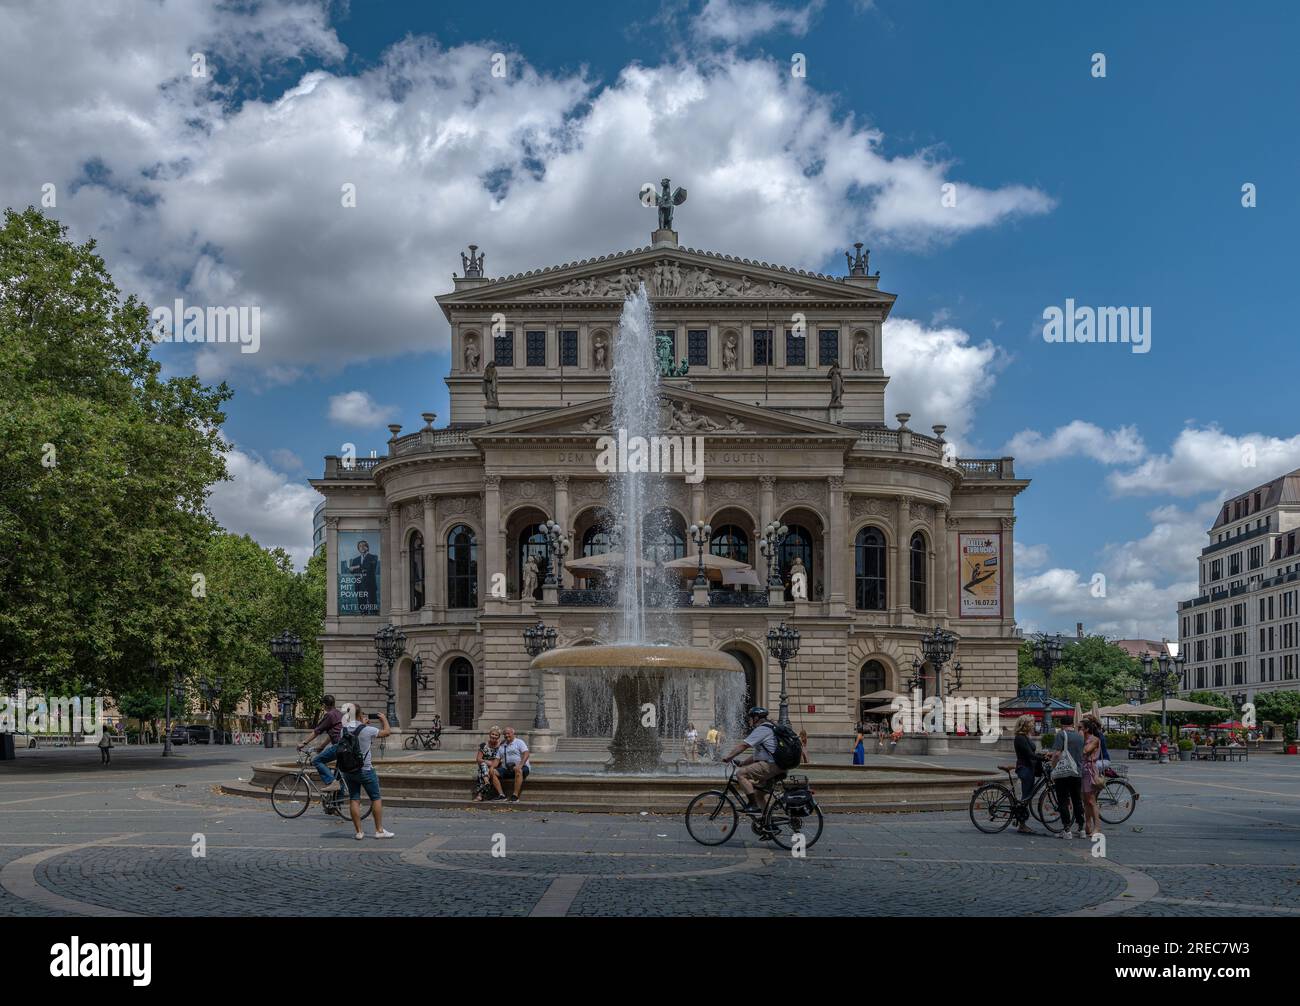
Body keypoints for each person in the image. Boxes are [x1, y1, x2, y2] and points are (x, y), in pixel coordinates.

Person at [337, 705, 393, 840]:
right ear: (360, 714)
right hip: (365, 770)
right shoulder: (368, 730)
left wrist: (361, 723)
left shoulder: (343, 730)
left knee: (354, 798)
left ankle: (359, 832)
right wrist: (384, 719)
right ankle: (379, 830)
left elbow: (353, 731)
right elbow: (387, 732)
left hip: (349, 770)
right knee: (375, 797)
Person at [722, 707, 784, 814]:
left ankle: (753, 805)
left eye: (750, 717)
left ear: (756, 717)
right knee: (758, 795)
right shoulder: (770, 728)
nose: (749, 720)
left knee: (741, 774)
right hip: (778, 765)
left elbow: (744, 745)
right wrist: (742, 763)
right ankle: (768, 823)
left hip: (772, 765)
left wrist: (729, 757)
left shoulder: (762, 729)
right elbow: (758, 755)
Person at [298, 695, 345, 793]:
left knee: (316, 761)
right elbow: (332, 734)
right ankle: (336, 805)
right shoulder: (339, 714)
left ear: (324, 705)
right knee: (339, 776)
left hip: (339, 746)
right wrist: (321, 746)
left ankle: (332, 782)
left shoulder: (329, 715)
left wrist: (304, 743)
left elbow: (316, 731)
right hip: (346, 746)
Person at [1049, 715, 1085, 839]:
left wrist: (1053, 767)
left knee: (1063, 800)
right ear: (1072, 724)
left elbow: (1057, 754)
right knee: (1077, 800)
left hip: (1063, 773)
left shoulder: (1061, 734)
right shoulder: (1080, 737)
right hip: (1077, 772)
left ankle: (1067, 829)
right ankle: (1081, 829)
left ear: (1061, 724)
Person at [1012, 715, 1038, 835]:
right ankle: (1022, 824)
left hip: (1028, 768)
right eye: (1031, 723)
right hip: (1025, 768)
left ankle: (1021, 821)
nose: (1033, 725)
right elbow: (1029, 754)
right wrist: (1042, 758)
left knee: (1027, 796)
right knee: (1025, 797)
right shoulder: (1020, 738)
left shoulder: (1025, 737)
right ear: (1025, 725)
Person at [491, 726, 531, 802]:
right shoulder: (502, 745)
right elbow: (497, 760)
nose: (506, 735)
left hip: (522, 768)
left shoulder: (519, 742)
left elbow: (526, 754)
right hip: (507, 769)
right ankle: (501, 795)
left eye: (508, 733)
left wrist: (520, 765)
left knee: (518, 770)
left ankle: (515, 796)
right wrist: (492, 767)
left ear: (513, 733)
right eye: (505, 734)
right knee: (492, 771)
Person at [1080, 717, 1102, 837]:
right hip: (1082, 769)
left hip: (1090, 770)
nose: (1078, 729)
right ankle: (1087, 825)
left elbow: (1085, 751)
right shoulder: (1083, 739)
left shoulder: (1094, 740)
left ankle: (1097, 827)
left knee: (1091, 800)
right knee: (1085, 800)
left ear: (1087, 729)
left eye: (1080, 728)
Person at [474, 727, 504, 801]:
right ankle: (486, 781)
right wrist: (487, 762)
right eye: (492, 734)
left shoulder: (501, 745)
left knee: (483, 769)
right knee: (483, 765)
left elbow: (501, 759)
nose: (494, 736)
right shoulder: (483, 745)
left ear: (499, 737)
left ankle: (480, 795)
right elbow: (478, 759)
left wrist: (491, 763)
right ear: (489, 734)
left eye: (496, 735)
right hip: (485, 765)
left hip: (496, 766)